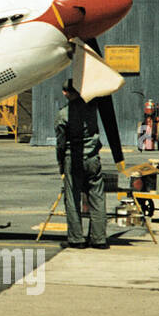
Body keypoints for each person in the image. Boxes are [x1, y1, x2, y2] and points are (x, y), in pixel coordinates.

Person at [56, 79, 108, 249]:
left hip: (74, 159)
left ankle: (76, 239)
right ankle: (99, 239)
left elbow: (61, 144)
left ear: (67, 93)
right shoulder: (91, 107)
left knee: (72, 198)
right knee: (97, 198)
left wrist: (61, 165)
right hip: (93, 158)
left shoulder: (63, 114)